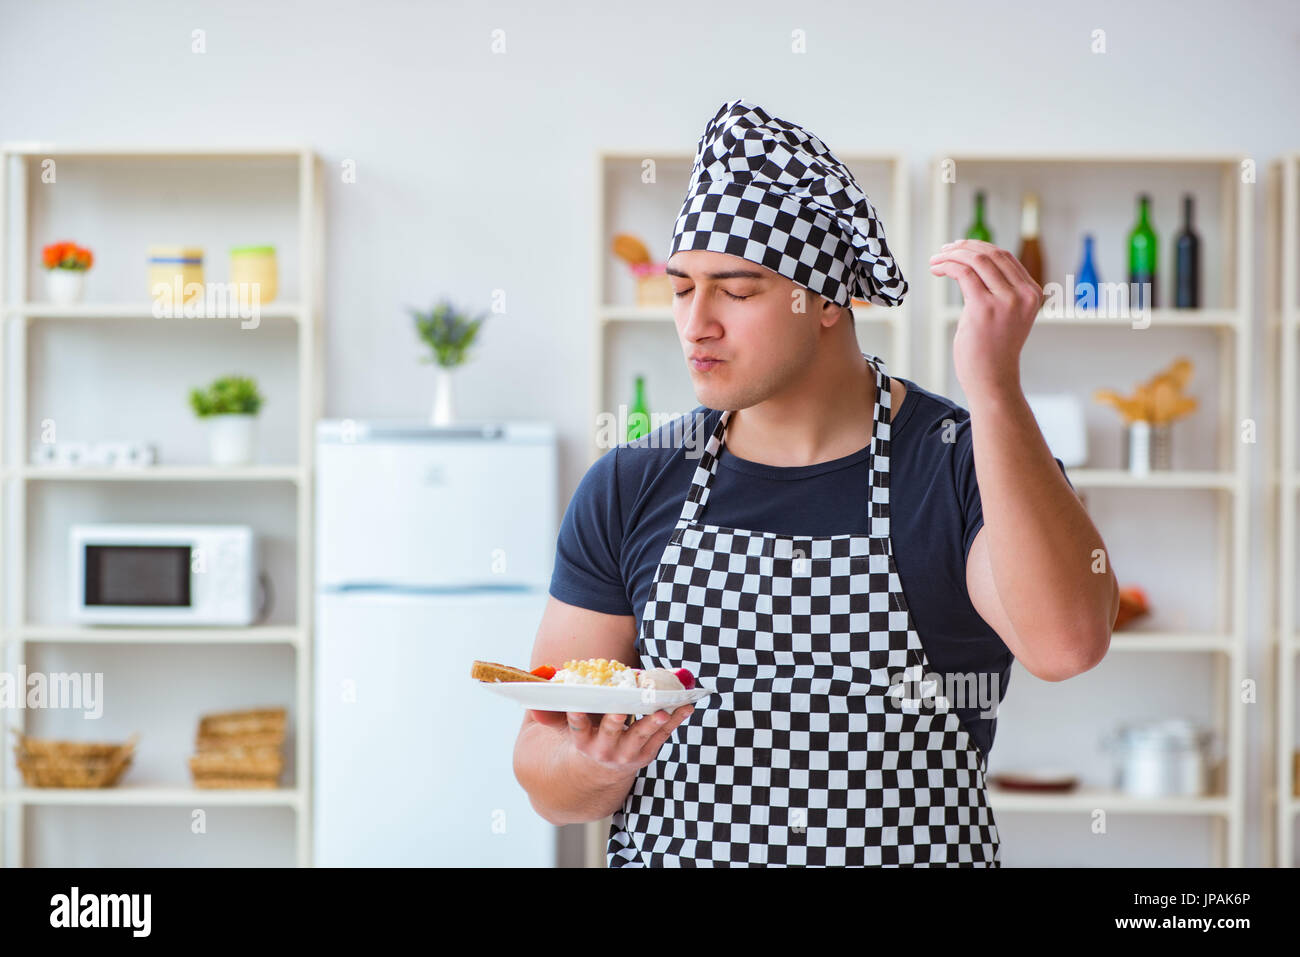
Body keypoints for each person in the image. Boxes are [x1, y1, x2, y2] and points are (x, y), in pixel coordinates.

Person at [514, 98, 1119, 867]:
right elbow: (542, 766)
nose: (696, 322)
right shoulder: (630, 483)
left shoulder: (962, 462)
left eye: (735, 291)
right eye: (680, 288)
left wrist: (995, 387)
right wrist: (595, 767)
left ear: (827, 299)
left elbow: (1066, 643)